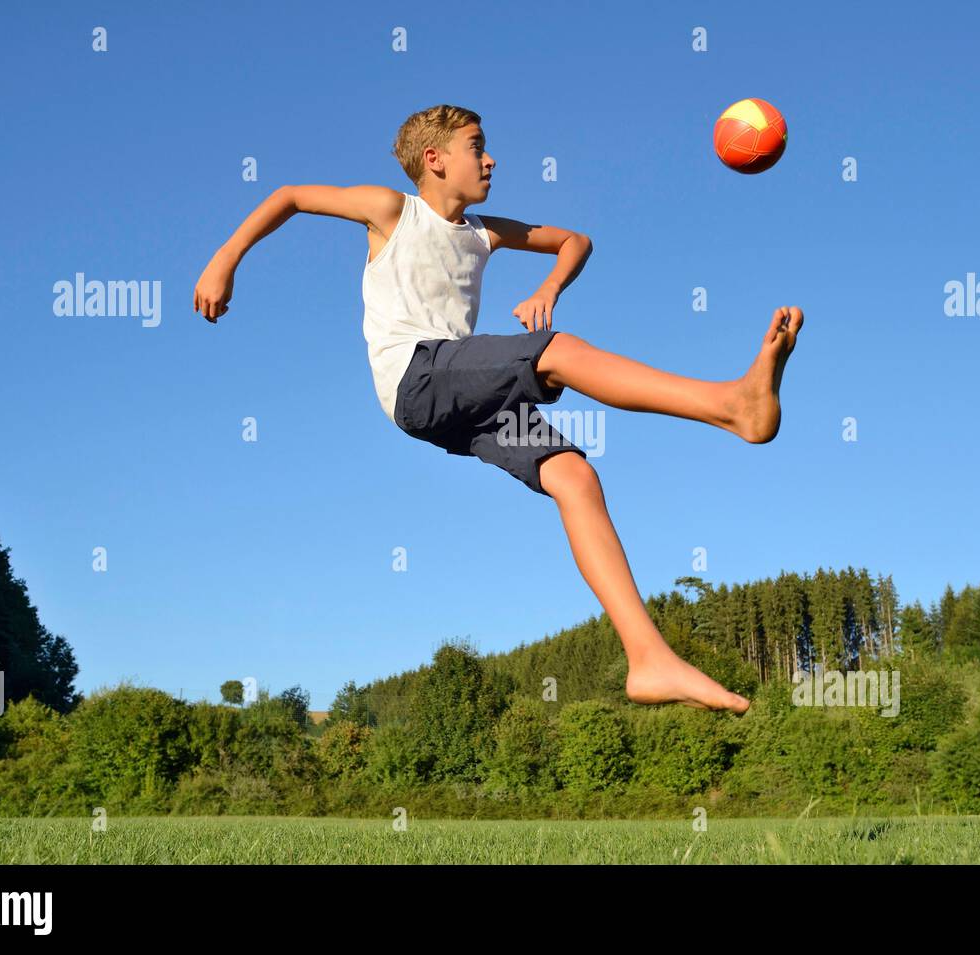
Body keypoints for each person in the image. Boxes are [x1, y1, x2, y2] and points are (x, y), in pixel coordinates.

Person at [193, 104, 804, 713]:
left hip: (465, 399)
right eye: (476, 146)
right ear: (433, 160)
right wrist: (225, 261)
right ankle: (729, 405)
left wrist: (548, 287)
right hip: (418, 376)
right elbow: (291, 196)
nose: (490, 158)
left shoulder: (483, 232)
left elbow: (574, 240)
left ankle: (647, 658)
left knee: (575, 476)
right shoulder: (390, 212)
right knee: (555, 353)